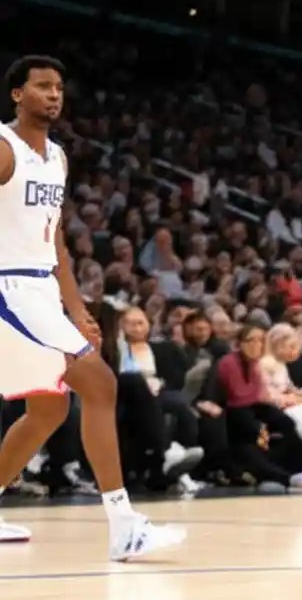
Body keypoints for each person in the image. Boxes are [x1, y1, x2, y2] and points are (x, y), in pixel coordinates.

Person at [0, 54, 185, 557]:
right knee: (100, 383)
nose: (54, 95)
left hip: (39, 290)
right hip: (7, 288)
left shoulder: (56, 157)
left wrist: (77, 309)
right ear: (18, 94)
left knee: (49, 409)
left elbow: (55, 239)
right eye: (42, 86)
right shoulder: (4, 147)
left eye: (59, 87)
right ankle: (124, 525)